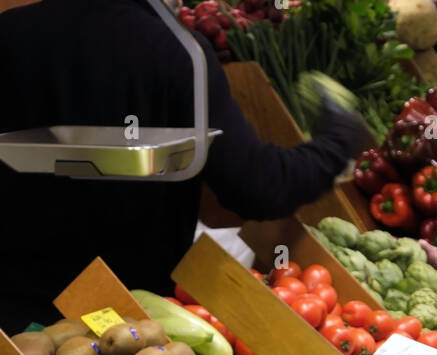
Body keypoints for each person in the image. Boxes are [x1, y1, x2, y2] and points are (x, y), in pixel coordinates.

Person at [0, 0, 370, 331]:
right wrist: (337, 139)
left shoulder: (11, 32)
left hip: (11, 308)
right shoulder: (175, 53)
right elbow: (260, 187)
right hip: (121, 328)